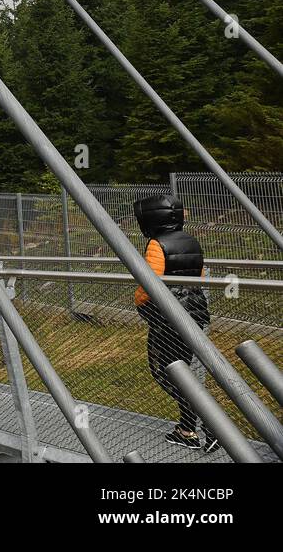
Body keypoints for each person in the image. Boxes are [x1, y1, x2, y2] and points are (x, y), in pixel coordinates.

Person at [133, 194, 218, 454]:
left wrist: (138, 301)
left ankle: (209, 428)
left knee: (165, 371)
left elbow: (151, 284)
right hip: (193, 313)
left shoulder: (157, 244)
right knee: (182, 371)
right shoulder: (191, 240)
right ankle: (188, 429)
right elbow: (200, 277)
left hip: (167, 318)